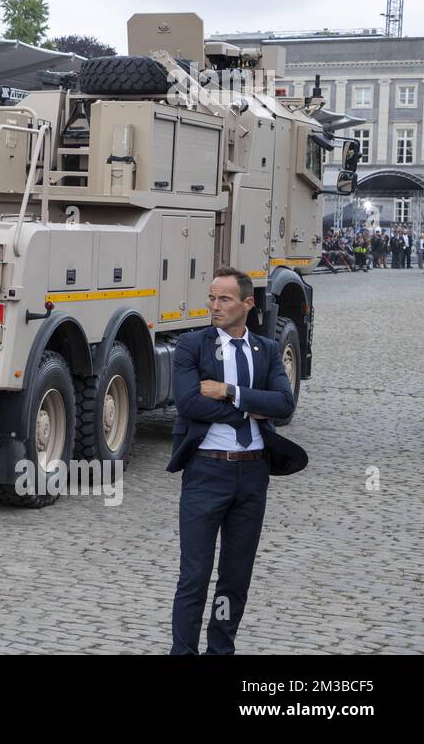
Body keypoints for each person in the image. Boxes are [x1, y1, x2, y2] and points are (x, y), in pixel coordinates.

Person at [168, 267, 307, 655]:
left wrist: (230, 393)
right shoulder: (190, 346)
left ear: (247, 303)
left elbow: (284, 404)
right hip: (206, 472)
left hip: (253, 475)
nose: (214, 306)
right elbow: (189, 403)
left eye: (224, 299)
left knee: (235, 577)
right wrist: (249, 408)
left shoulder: (264, 350)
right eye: (211, 298)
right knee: (194, 576)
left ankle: (220, 650)